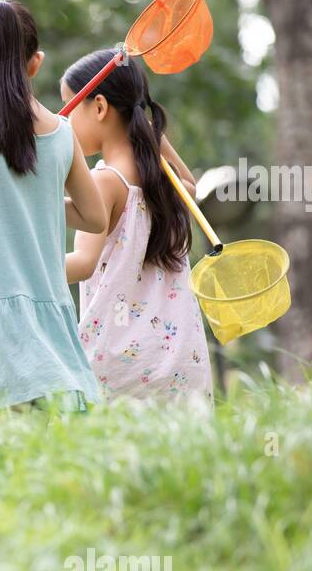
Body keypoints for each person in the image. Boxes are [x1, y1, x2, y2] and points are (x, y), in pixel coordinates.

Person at [0, 0, 106, 412]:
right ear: (34, 64)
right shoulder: (63, 132)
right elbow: (94, 216)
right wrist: (42, 197)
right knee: (41, 452)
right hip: (48, 313)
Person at [61, 48, 214, 402]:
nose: (64, 120)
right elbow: (189, 183)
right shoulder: (168, 184)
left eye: (69, 107)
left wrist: (18, 271)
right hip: (179, 362)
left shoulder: (104, 181)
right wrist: (145, 127)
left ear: (99, 108)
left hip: (120, 365)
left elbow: (82, 264)